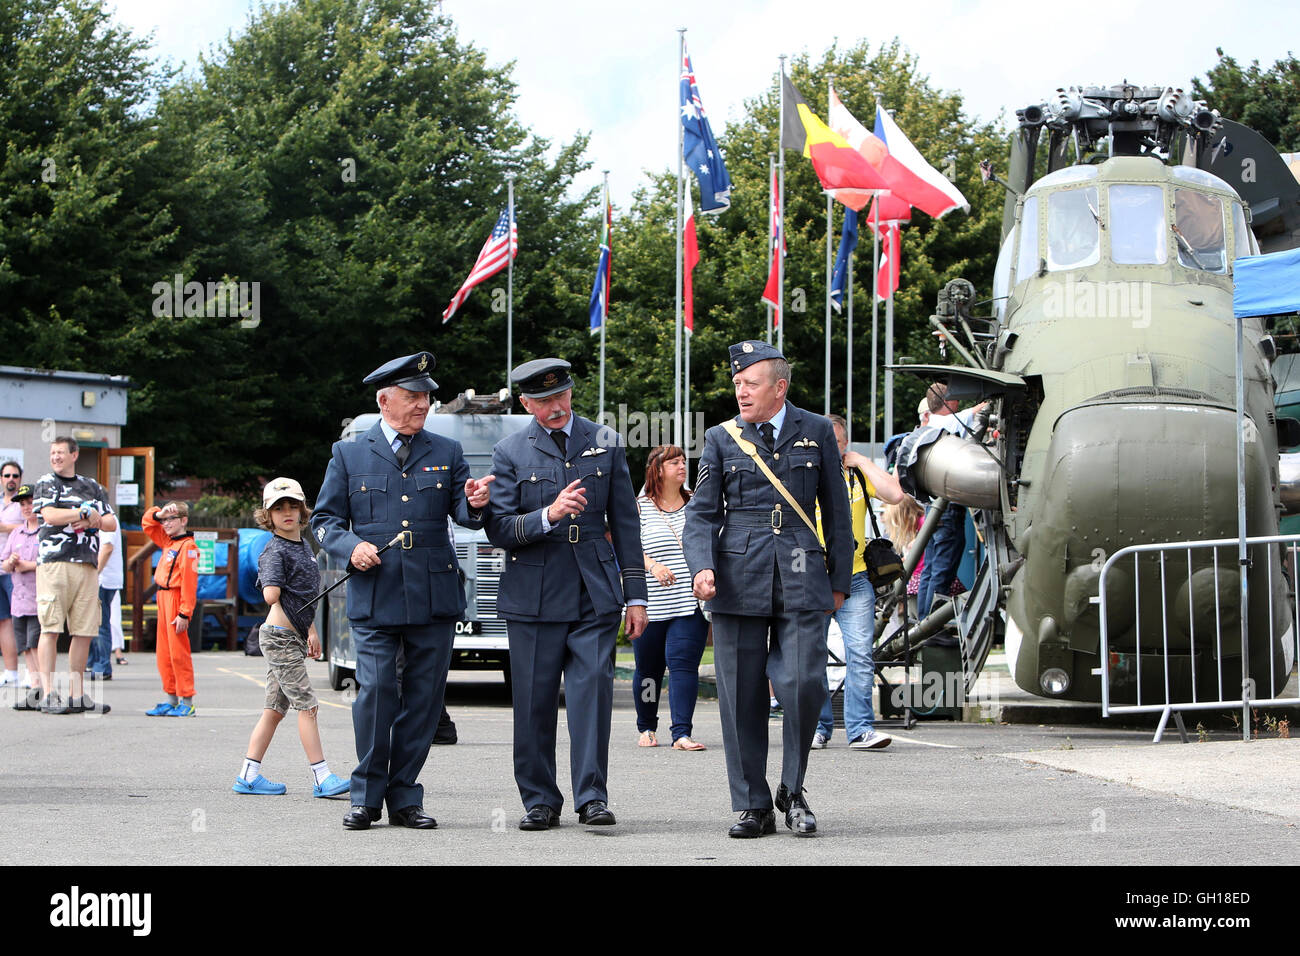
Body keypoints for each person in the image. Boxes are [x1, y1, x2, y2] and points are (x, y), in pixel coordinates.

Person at [311, 351, 493, 831]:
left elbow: (465, 514)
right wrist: (352, 548)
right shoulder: (349, 454)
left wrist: (475, 503)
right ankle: (365, 796)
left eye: (427, 397)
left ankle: (405, 796)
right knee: (374, 693)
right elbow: (324, 523)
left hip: (433, 596)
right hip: (376, 593)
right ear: (384, 400)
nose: (422, 405)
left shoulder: (446, 451)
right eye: (413, 397)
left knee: (425, 699)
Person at [684, 341, 852, 838]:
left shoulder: (817, 431)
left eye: (749, 383)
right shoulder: (720, 437)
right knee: (740, 694)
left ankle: (792, 790)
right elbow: (701, 513)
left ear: (779, 387)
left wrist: (839, 582)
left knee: (804, 683)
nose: (740, 391)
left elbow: (837, 514)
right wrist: (701, 566)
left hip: (802, 571)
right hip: (737, 574)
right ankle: (753, 803)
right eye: (736, 383)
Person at [485, 358, 647, 831]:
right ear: (525, 403)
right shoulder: (510, 450)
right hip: (533, 594)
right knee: (534, 702)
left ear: (572, 393)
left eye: (562, 396)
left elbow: (627, 524)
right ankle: (539, 800)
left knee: (592, 696)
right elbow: (499, 528)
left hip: (594, 592)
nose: (556, 408)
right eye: (543, 400)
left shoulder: (607, 442)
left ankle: (592, 797)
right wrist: (549, 515)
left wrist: (635, 595)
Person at [233, 478, 349, 798]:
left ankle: (248, 775)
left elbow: (303, 598)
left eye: (292, 506)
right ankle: (322, 778)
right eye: (278, 508)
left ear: (302, 511)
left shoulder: (303, 547)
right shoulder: (275, 550)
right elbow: (272, 595)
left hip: (293, 635)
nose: (286, 513)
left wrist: (310, 631)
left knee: (274, 709)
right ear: (267, 516)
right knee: (308, 706)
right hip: (279, 637)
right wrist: (274, 583)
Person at [811, 414, 904, 752]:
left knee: (861, 654)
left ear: (844, 444)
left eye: (834, 443)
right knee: (812, 656)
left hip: (856, 577)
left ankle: (860, 729)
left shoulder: (855, 474)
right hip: (813, 579)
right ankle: (818, 727)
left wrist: (862, 461)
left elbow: (895, 494)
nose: (828, 449)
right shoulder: (806, 475)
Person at [32, 437, 116, 715]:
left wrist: (94, 517)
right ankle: (48, 692)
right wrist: (81, 512)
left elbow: (110, 522)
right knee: (51, 626)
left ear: (74, 455)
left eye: (60, 452)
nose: (55, 457)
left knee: (84, 630)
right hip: (55, 563)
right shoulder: (46, 482)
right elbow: (49, 515)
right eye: (52, 453)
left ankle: (76, 694)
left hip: (88, 564)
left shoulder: (92, 486)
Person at [634, 444, 708, 751]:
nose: (682, 466)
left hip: (690, 602)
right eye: (674, 462)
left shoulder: (696, 504)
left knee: (683, 665)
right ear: (657, 470)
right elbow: (626, 548)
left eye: (683, 461)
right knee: (649, 670)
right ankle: (647, 727)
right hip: (651, 603)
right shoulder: (640, 506)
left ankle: (681, 732)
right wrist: (652, 565)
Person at [915, 384, 976, 619]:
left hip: (933, 508)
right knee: (943, 569)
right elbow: (976, 411)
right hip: (947, 508)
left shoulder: (930, 427)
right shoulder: (945, 424)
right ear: (949, 402)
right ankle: (931, 623)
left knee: (930, 569)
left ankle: (922, 620)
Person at [142, 501, 199, 717]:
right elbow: (147, 523)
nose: (166, 523)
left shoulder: (188, 547)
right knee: (164, 653)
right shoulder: (168, 541)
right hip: (163, 597)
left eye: (171, 519)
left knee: (178, 653)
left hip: (176, 599)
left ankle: (187, 700)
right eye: (164, 520)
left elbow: (189, 583)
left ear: (183, 521)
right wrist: (160, 513)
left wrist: (185, 612)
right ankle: (171, 698)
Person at [2, 485, 41, 708]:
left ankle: (43, 688)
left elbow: (51, 562)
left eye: (30, 503)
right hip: (19, 600)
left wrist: (26, 565)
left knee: (36, 644)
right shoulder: (16, 532)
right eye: (23, 504)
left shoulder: (45, 531)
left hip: (38, 599)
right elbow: (5, 563)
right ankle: (35, 687)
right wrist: (10, 563)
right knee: (25, 646)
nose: (27, 508)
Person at [87, 520, 123, 680]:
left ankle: (102, 666)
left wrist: (94, 574)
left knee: (100, 623)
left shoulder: (106, 518)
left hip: (103, 579)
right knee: (93, 622)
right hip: (105, 578)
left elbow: (107, 547)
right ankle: (94, 661)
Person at [0, 461, 23, 686]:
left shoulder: (23, 505)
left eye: (15, 475)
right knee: (3, 621)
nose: (11, 479)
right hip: (0, 568)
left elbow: (31, 527)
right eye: (7, 475)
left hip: (17, 570)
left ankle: (32, 673)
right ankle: (11, 672)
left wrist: (5, 527)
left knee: (22, 619)